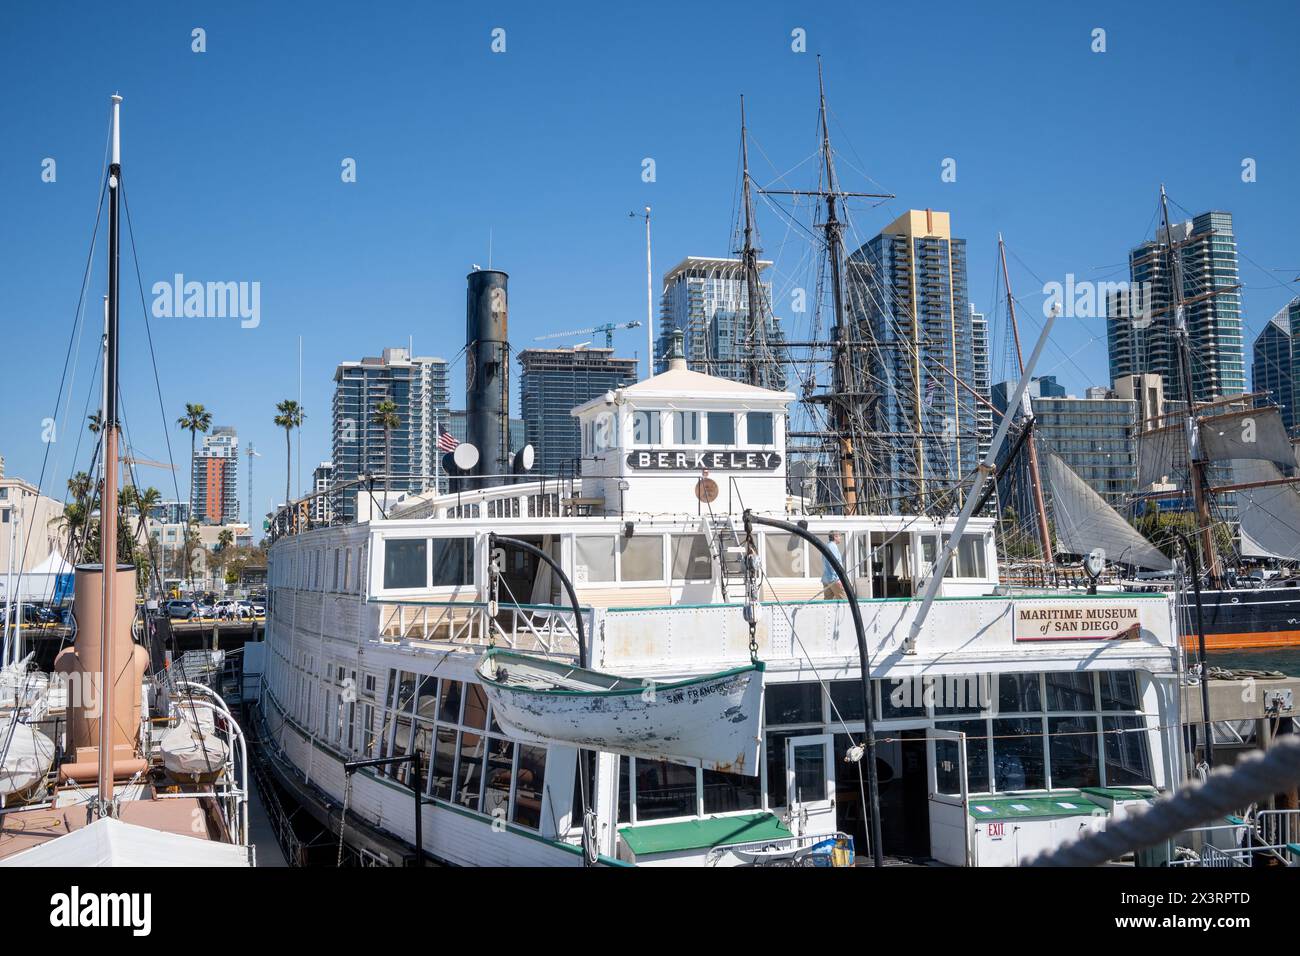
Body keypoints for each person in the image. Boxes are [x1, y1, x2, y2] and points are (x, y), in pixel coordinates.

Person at [821, 531, 846, 599]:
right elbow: (833, 563)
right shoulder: (833, 547)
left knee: (828, 601)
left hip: (826, 579)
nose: (840, 538)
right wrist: (838, 579)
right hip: (833, 579)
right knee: (843, 599)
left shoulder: (827, 546)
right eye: (839, 536)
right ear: (835, 537)